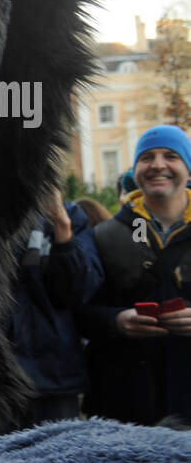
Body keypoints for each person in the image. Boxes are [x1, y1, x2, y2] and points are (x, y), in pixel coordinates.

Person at [81, 125, 191, 424]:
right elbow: (78, 312)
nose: (158, 165)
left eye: (171, 156)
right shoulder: (102, 236)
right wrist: (115, 321)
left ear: (188, 170)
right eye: (147, 157)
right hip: (125, 404)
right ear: (136, 170)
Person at [3, 189, 104, 428]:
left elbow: (80, 291)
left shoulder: (70, 216)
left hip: (55, 379)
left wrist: (62, 226)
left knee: (57, 461)